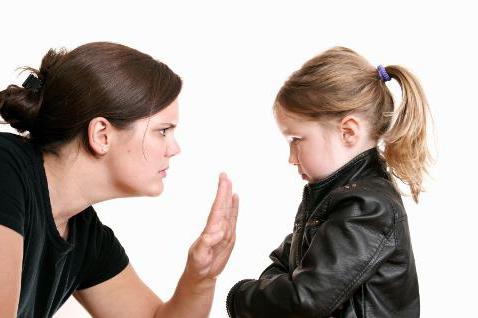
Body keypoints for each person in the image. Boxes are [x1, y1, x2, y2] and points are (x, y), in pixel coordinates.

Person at [0, 41, 239, 317]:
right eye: (163, 131)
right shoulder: (6, 169)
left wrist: (200, 278)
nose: (174, 149)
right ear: (102, 135)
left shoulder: (84, 233)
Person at [226, 46, 432, 317]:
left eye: (296, 140)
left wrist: (238, 297)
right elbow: (282, 264)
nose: (291, 158)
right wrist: (278, 288)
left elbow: (304, 299)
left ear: (348, 132)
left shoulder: (367, 207)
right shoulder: (329, 196)